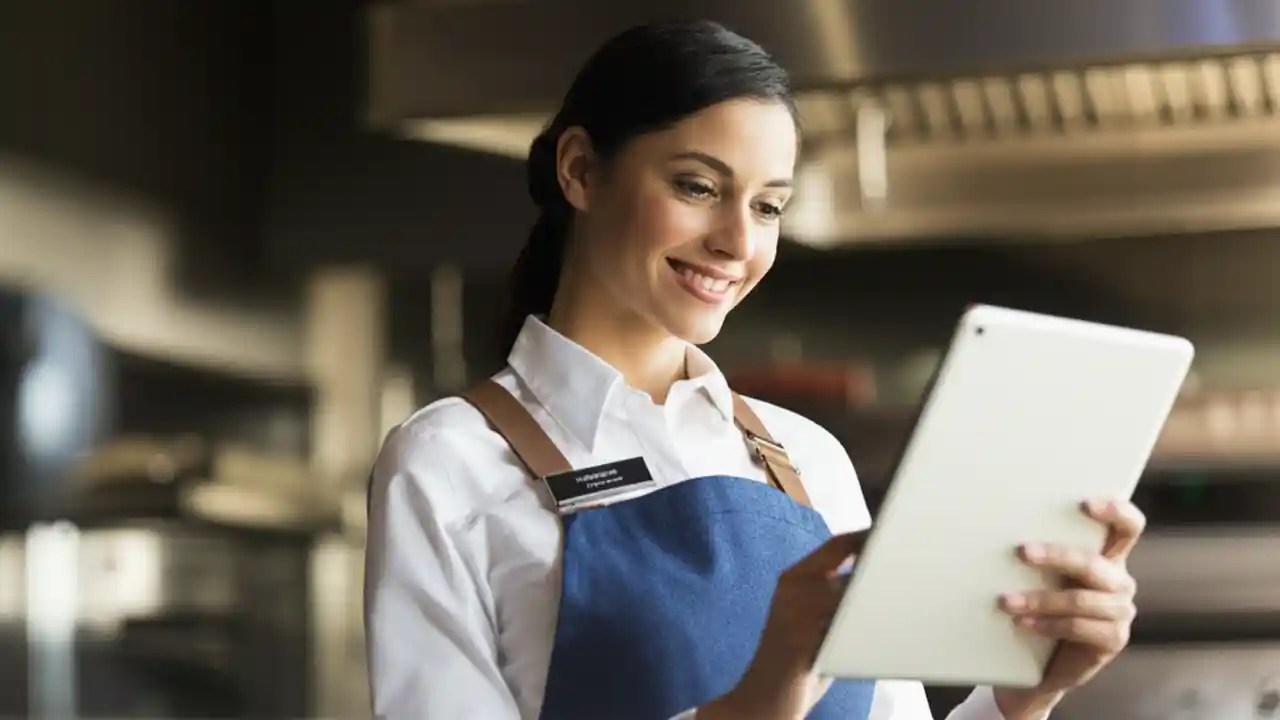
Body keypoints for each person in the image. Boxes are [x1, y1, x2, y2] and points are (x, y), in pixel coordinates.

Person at [364, 20, 1144, 720]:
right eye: (698, 187)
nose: (738, 242)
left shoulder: (809, 461)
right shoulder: (449, 463)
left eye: (769, 207)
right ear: (580, 170)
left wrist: (1019, 699)